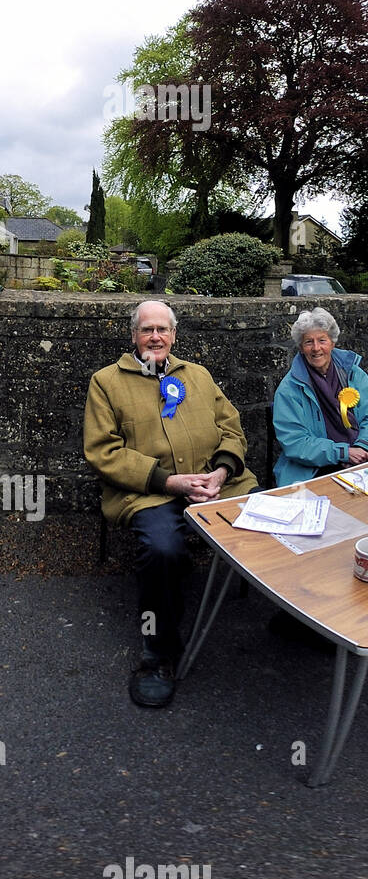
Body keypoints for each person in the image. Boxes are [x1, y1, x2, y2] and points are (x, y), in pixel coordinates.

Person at [85, 300, 258, 709]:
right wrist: (169, 481)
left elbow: (231, 428)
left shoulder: (197, 375)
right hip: (150, 491)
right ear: (133, 335)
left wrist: (221, 471)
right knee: (163, 549)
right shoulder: (106, 382)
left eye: (163, 329)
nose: (156, 337)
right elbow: (102, 452)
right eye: (147, 330)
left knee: (269, 523)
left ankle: (298, 619)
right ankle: (157, 652)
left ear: (174, 335)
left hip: (215, 485)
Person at [272, 306, 368, 477]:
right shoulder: (288, 389)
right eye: (308, 342)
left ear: (333, 343)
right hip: (315, 466)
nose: (316, 348)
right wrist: (343, 453)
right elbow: (295, 443)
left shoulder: (354, 373)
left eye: (322, 340)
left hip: (364, 450)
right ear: (301, 348)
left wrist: (362, 447)